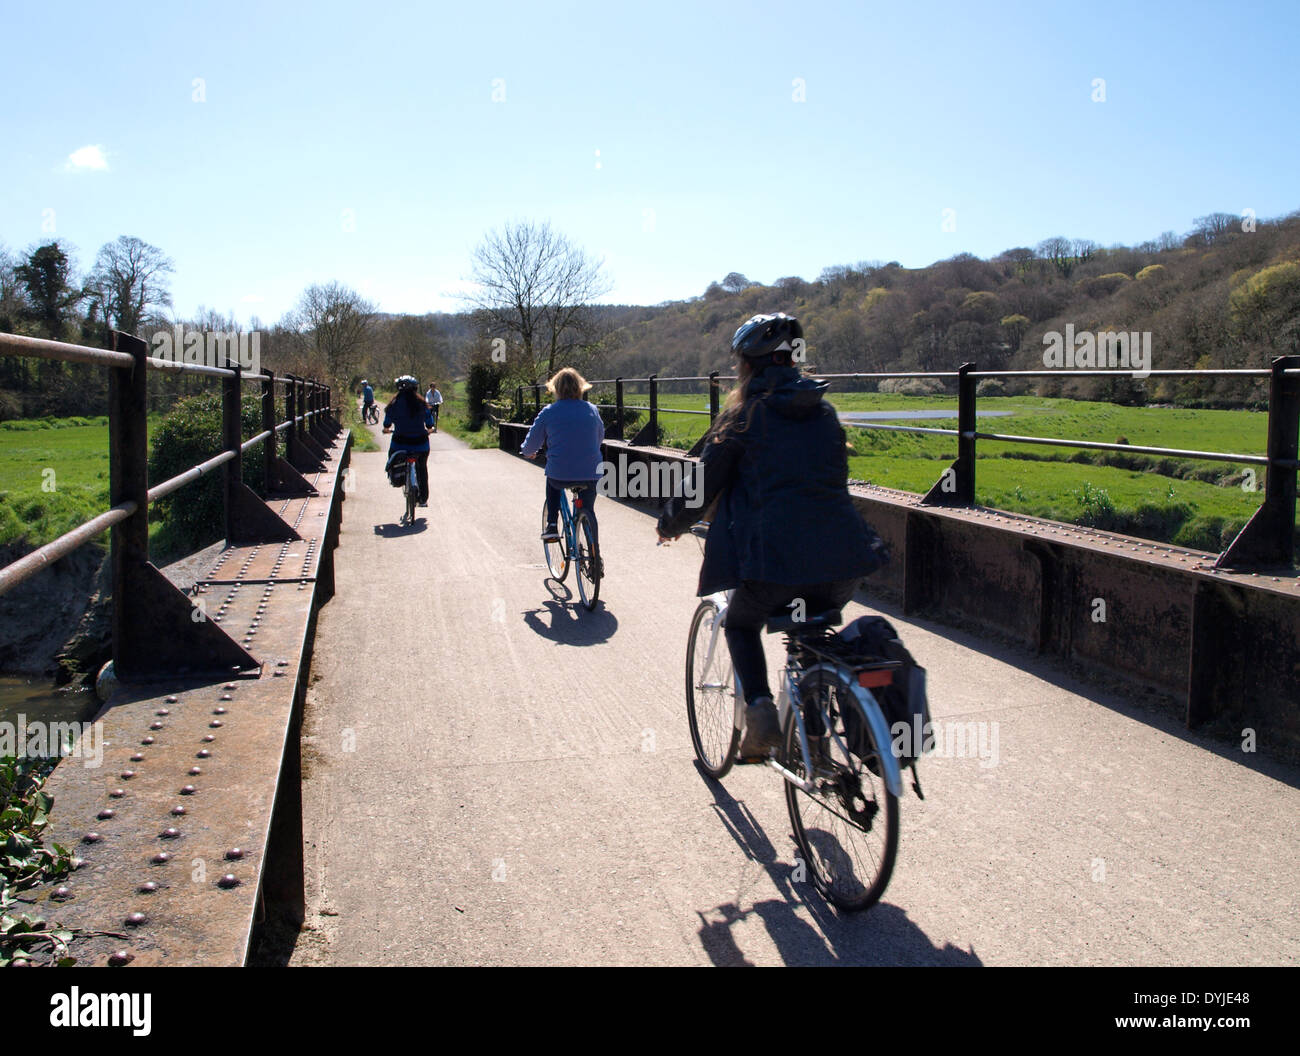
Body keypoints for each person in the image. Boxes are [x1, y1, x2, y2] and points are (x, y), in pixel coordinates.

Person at [657, 313, 888, 759]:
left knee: (741, 624)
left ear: (745, 365)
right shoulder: (823, 412)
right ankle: (817, 749)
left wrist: (670, 525)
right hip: (843, 562)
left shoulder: (741, 418)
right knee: (810, 640)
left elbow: (700, 490)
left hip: (774, 567)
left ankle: (761, 714)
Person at [519, 367, 605, 552]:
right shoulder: (592, 410)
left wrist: (529, 452)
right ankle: (594, 554)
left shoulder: (549, 412)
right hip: (591, 471)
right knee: (588, 510)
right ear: (580, 388)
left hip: (560, 472)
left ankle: (551, 525)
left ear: (556, 389)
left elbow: (530, 445)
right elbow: (599, 437)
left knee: (553, 480)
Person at [382, 376, 434, 507]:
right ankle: (423, 499)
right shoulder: (422, 404)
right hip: (420, 444)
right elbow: (429, 424)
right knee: (422, 468)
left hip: (400, 444)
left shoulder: (393, 405)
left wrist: (386, 429)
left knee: (392, 459)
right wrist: (429, 429)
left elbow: (387, 424)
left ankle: (396, 478)